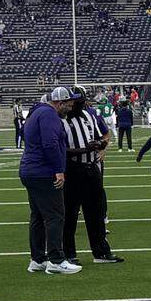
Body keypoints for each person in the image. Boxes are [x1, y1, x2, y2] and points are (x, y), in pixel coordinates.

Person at [20, 87, 79, 275]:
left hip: (31, 170)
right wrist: (59, 170)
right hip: (43, 172)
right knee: (55, 216)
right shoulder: (48, 115)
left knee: (37, 216)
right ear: (59, 102)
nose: (71, 107)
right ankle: (56, 260)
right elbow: (50, 143)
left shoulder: (36, 113)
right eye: (69, 103)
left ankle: (37, 259)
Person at [61, 86, 122, 265]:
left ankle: (101, 252)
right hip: (72, 170)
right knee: (70, 215)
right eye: (74, 101)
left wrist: (101, 144)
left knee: (95, 212)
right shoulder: (61, 120)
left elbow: (102, 136)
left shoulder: (88, 115)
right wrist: (83, 150)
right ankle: (69, 254)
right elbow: (60, 150)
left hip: (91, 168)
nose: (77, 104)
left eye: (80, 101)